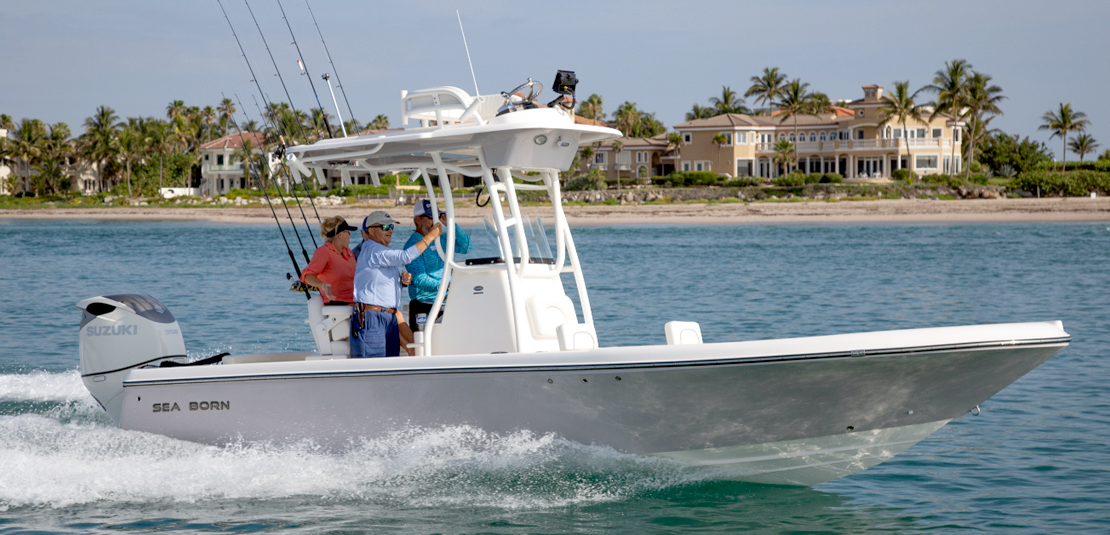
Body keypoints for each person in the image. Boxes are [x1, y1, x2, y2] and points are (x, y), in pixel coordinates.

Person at [351, 210, 442, 358]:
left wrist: (401, 282)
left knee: (390, 362)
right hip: (373, 317)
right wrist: (431, 236)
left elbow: (380, 282)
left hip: (387, 316)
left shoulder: (380, 251)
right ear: (371, 230)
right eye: (385, 227)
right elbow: (405, 257)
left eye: (392, 226)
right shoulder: (374, 249)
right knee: (375, 366)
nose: (390, 230)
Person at [403, 199, 471, 329]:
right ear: (418, 220)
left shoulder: (442, 239)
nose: (435, 221)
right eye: (430, 217)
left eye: (437, 217)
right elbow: (420, 279)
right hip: (425, 305)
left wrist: (451, 226)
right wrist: (449, 286)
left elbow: (466, 246)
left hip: (448, 302)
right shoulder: (412, 246)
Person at [300, 216, 358, 305]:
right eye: (348, 232)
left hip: (355, 299)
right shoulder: (324, 252)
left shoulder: (347, 251)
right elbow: (307, 276)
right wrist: (323, 285)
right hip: (337, 302)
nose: (350, 234)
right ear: (340, 235)